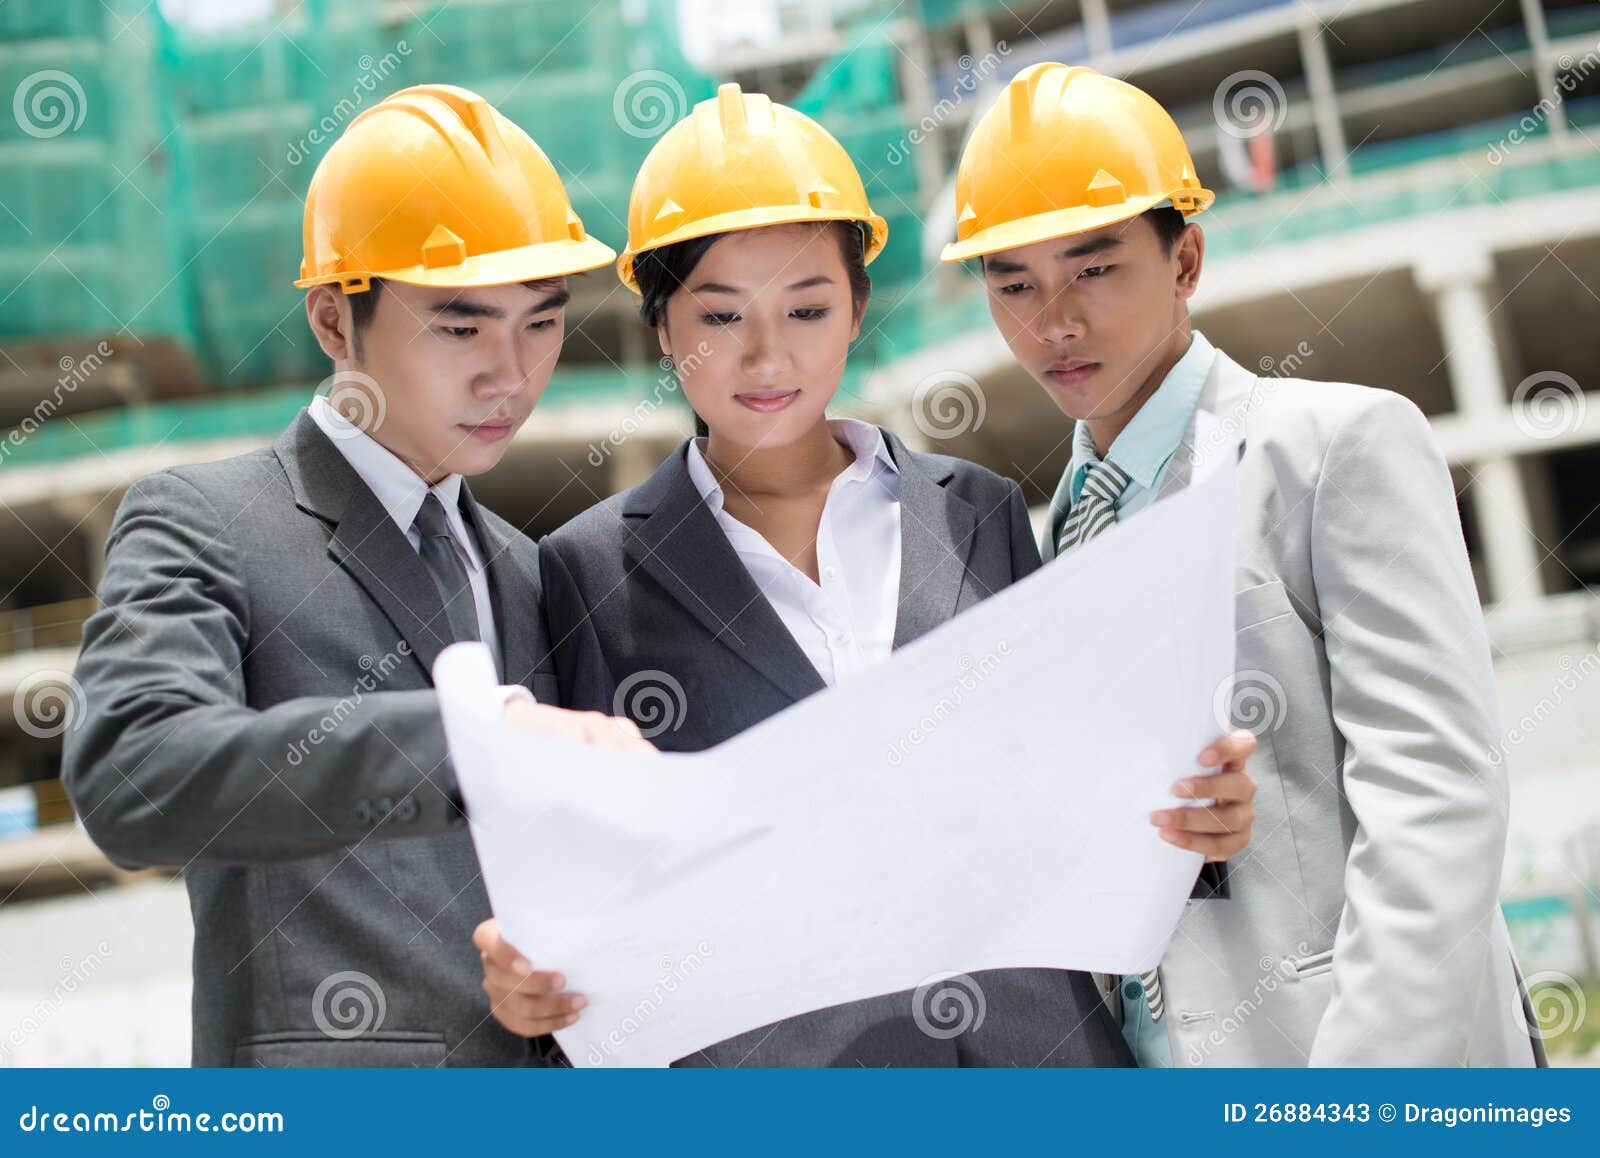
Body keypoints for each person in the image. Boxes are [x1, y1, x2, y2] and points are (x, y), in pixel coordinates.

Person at [474, 83, 1258, 1067]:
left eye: (807, 307)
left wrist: (1190, 824)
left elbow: (1069, 789)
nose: (768, 355)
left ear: (855, 311)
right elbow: (576, 874)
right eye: (720, 317)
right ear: (663, 331)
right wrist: (528, 976)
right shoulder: (583, 574)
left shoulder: (977, 511)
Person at [942, 62, 1542, 1066]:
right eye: (1014, 284)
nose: (1054, 322)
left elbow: (1436, 797)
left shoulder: (1334, 444)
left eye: (1092, 268)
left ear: (1184, 263)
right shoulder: (1049, 545)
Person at [61, 84, 650, 1068]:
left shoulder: (522, 567)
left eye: (541, 322)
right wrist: (470, 740)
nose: (510, 373)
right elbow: (133, 776)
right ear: (336, 322)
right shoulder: (207, 523)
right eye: (460, 327)